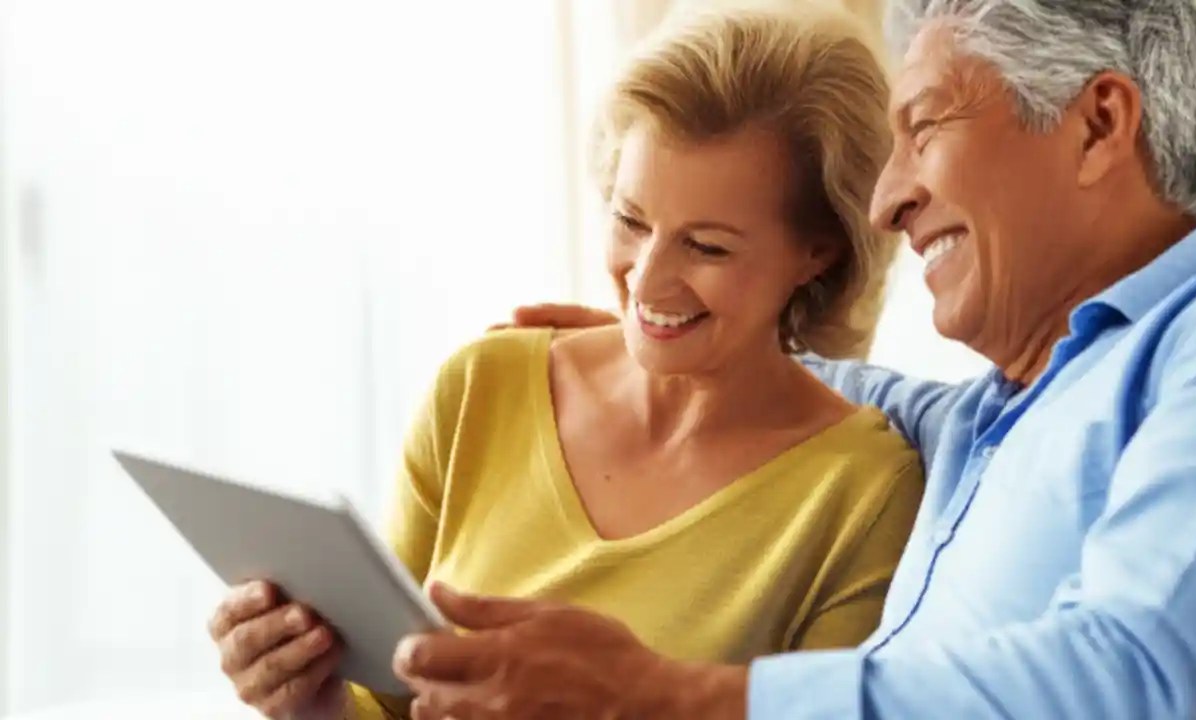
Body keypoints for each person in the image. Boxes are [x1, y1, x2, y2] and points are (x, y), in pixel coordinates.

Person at [387, 0, 1196, 718]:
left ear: (1097, 124)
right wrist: (663, 329)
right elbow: (829, 385)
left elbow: (1145, 677)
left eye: (924, 127)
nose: (888, 200)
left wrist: (667, 697)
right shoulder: (987, 417)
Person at [205, 3, 927, 718]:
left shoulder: (861, 491)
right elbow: (389, 701)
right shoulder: (480, 388)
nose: (646, 281)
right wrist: (311, 699)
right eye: (630, 220)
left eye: (706, 246)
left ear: (819, 251)